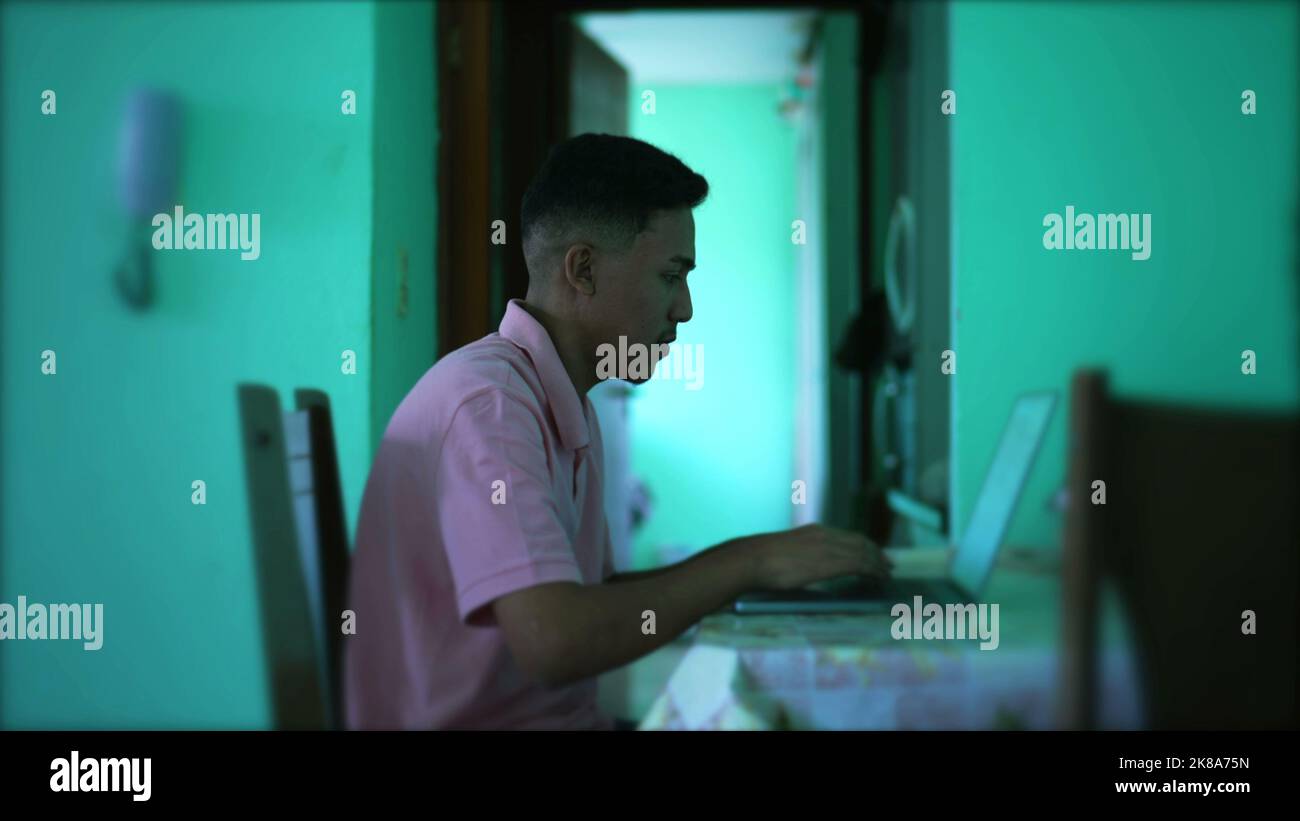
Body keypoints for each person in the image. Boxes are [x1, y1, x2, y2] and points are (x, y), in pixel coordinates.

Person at [344, 133, 890, 730]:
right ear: (583, 269)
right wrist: (750, 562)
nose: (684, 309)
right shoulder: (490, 407)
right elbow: (556, 641)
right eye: (671, 275)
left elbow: (590, 599)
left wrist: (763, 569)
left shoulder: (553, 394)